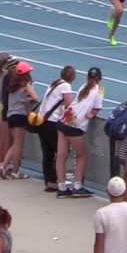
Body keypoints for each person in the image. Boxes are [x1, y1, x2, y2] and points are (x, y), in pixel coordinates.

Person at [56, 67, 102, 196]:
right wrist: (92, 114)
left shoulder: (83, 86)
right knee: (81, 155)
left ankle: (61, 187)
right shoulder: (99, 90)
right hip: (75, 125)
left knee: (61, 155)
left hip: (63, 120)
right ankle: (77, 186)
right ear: (100, 79)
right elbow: (96, 108)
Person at [37, 65, 75, 193]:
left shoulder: (54, 84)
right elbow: (70, 104)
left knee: (47, 152)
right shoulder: (66, 86)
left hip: (42, 120)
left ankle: (48, 180)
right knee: (62, 152)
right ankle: (53, 180)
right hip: (52, 122)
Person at [0, 60, 37, 179]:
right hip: (20, 115)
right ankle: (13, 169)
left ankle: (4, 165)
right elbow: (36, 97)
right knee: (18, 144)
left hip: (10, 115)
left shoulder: (12, 84)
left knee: (15, 143)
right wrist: (29, 99)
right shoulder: (25, 85)